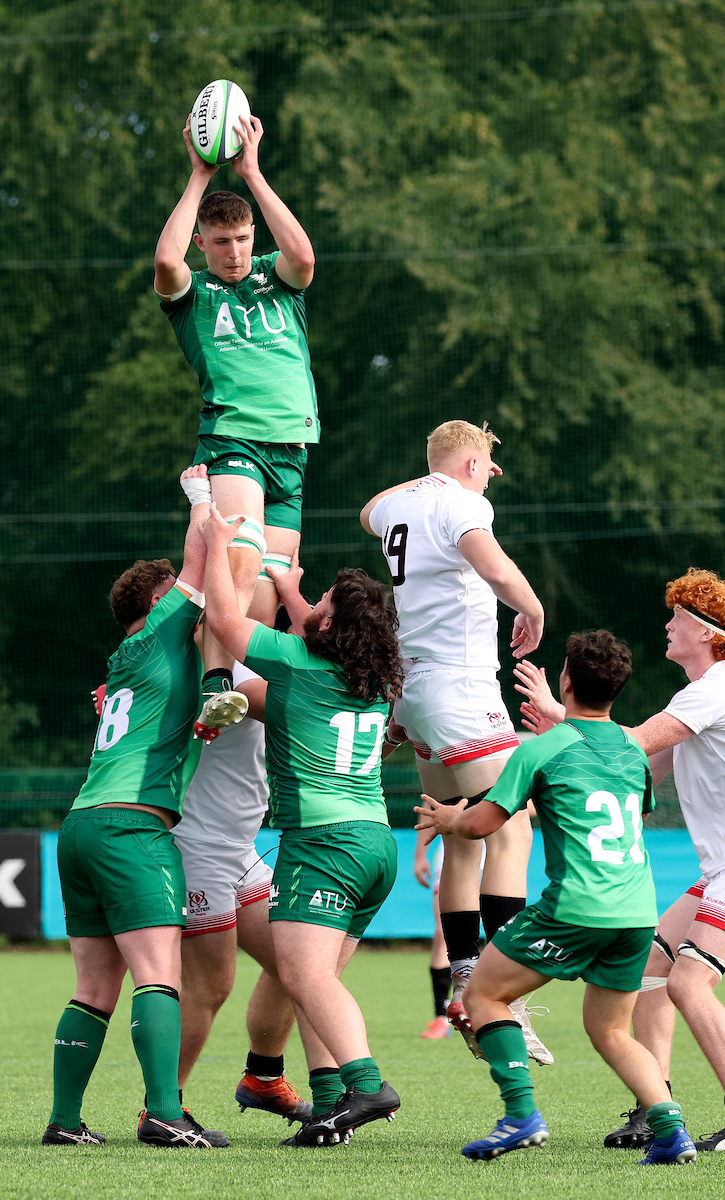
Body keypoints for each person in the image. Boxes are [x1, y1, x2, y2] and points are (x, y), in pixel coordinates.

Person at [517, 568, 725, 1153]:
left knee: (688, 983)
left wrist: (558, 715)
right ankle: (658, 1108)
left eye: (677, 616)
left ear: (704, 631)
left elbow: (630, 745)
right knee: (651, 965)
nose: (667, 624)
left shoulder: (718, 690)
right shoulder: (703, 693)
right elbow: (633, 773)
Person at [415, 631, 696, 1164]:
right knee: (611, 1031)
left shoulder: (541, 748)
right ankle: (670, 1129)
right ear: (617, 690)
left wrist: (451, 817)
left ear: (565, 682)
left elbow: (481, 825)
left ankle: (520, 1116)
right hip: (636, 913)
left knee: (481, 995)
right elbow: (622, 812)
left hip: (574, 908)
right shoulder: (633, 751)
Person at [199, 508, 405, 1147]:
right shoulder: (371, 680)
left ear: (333, 625)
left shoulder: (296, 663)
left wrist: (211, 545)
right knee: (315, 982)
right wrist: (290, 589)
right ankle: (331, 1107)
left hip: (323, 844)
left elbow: (225, 622)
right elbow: (311, 635)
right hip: (374, 843)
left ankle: (367, 1085)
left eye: (321, 604)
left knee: (306, 977)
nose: (309, 606)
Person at [44, 466, 227, 1149]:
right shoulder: (158, 634)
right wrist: (200, 494)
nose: (189, 599)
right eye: (174, 595)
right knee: (159, 973)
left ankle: (65, 1121)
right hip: (131, 826)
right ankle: (163, 1115)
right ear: (155, 606)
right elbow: (201, 555)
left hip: (82, 825)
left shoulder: (129, 659)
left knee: (94, 985)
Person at [360, 420, 550, 1065]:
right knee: (511, 825)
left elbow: (370, 511)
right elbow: (493, 567)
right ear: (472, 464)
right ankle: (502, 992)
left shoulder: (396, 505)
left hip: (411, 690)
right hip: (458, 690)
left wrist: (437, 475)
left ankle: (466, 977)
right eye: (487, 464)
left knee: (461, 835)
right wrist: (532, 607)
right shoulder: (464, 501)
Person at [154, 108, 317, 638]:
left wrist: (252, 173)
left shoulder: (276, 275)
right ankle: (212, 683)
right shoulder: (195, 295)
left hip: (291, 446)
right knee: (240, 562)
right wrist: (200, 174)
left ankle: (236, 713)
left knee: (267, 600)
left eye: (243, 239)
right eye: (221, 242)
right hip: (234, 439)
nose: (235, 252)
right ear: (202, 243)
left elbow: (305, 256)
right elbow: (164, 262)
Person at [173, 661, 313, 1128]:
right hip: (198, 848)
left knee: (295, 962)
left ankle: (263, 1078)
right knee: (209, 985)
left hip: (240, 848)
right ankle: (164, 1108)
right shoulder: (229, 669)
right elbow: (288, 705)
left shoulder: (251, 659)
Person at [413, 831, 452, 1039]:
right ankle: (441, 1018)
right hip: (452, 851)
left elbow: (529, 803)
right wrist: (420, 856)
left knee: (497, 934)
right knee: (443, 933)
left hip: (495, 849)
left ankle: (497, 1014)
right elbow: (429, 802)